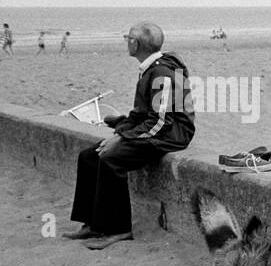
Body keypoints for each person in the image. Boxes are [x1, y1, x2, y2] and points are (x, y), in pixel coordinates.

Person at [63, 23, 195, 249]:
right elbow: (143, 113)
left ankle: (119, 229)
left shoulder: (161, 73)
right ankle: (94, 224)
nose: (126, 40)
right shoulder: (149, 67)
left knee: (111, 159)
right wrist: (121, 126)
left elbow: (161, 123)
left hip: (171, 134)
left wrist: (122, 138)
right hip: (156, 128)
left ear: (137, 43)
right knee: (88, 156)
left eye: (129, 37)